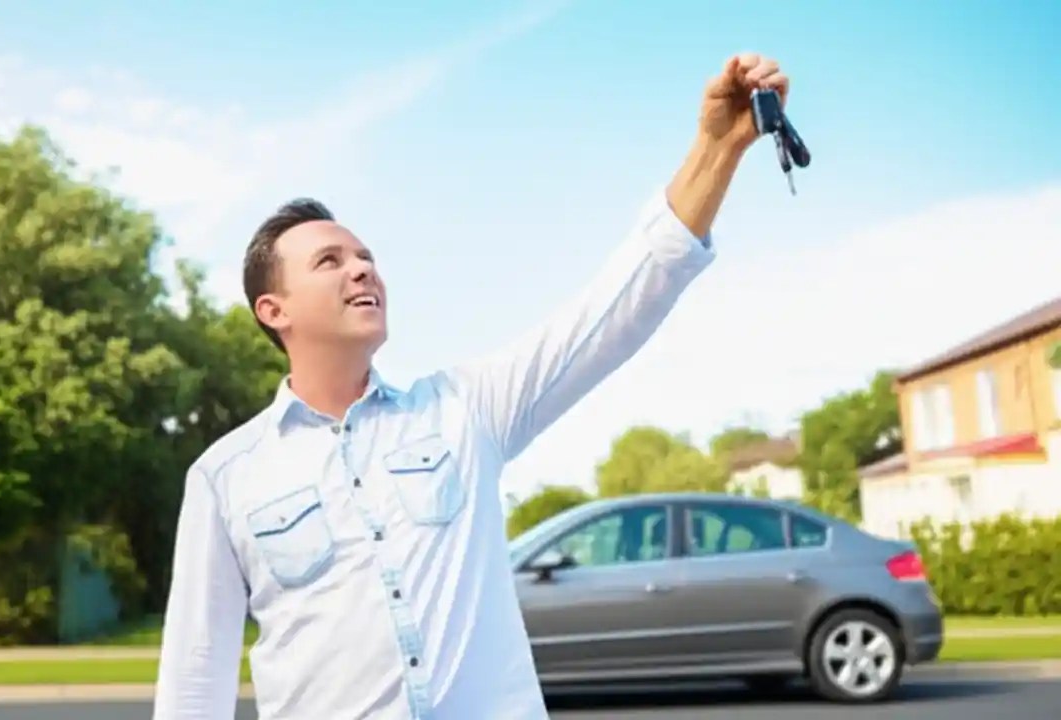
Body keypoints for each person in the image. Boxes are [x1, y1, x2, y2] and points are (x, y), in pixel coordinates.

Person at [153, 52, 791, 720]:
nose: (363, 270)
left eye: (367, 257)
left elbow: (615, 307)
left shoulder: (462, 410)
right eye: (329, 261)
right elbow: (193, 683)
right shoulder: (226, 478)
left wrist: (716, 149)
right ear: (273, 311)